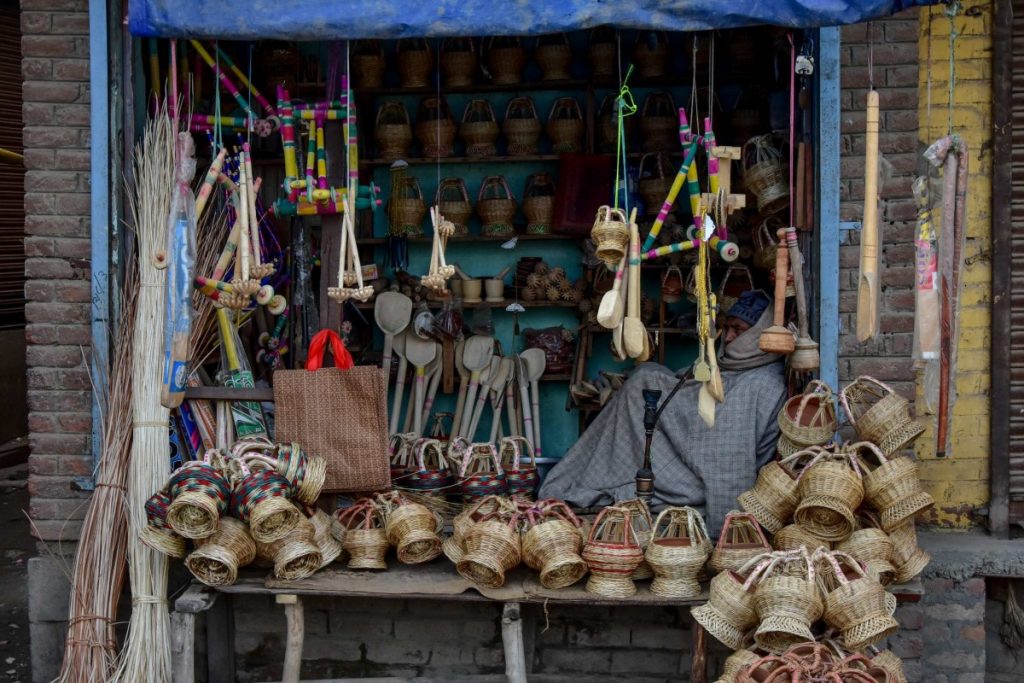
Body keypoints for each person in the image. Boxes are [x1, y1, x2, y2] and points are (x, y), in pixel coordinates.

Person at [538, 290, 787, 535]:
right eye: (728, 328)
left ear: (759, 334)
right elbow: (695, 393)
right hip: (688, 451)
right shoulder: (733, 366)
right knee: (645, 376)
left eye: (739, 330)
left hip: (696, 481)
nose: (729, 338)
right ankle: (575, 476)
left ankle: (577, 480)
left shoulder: (761, 384)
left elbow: (720, 448)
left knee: (642, 384)